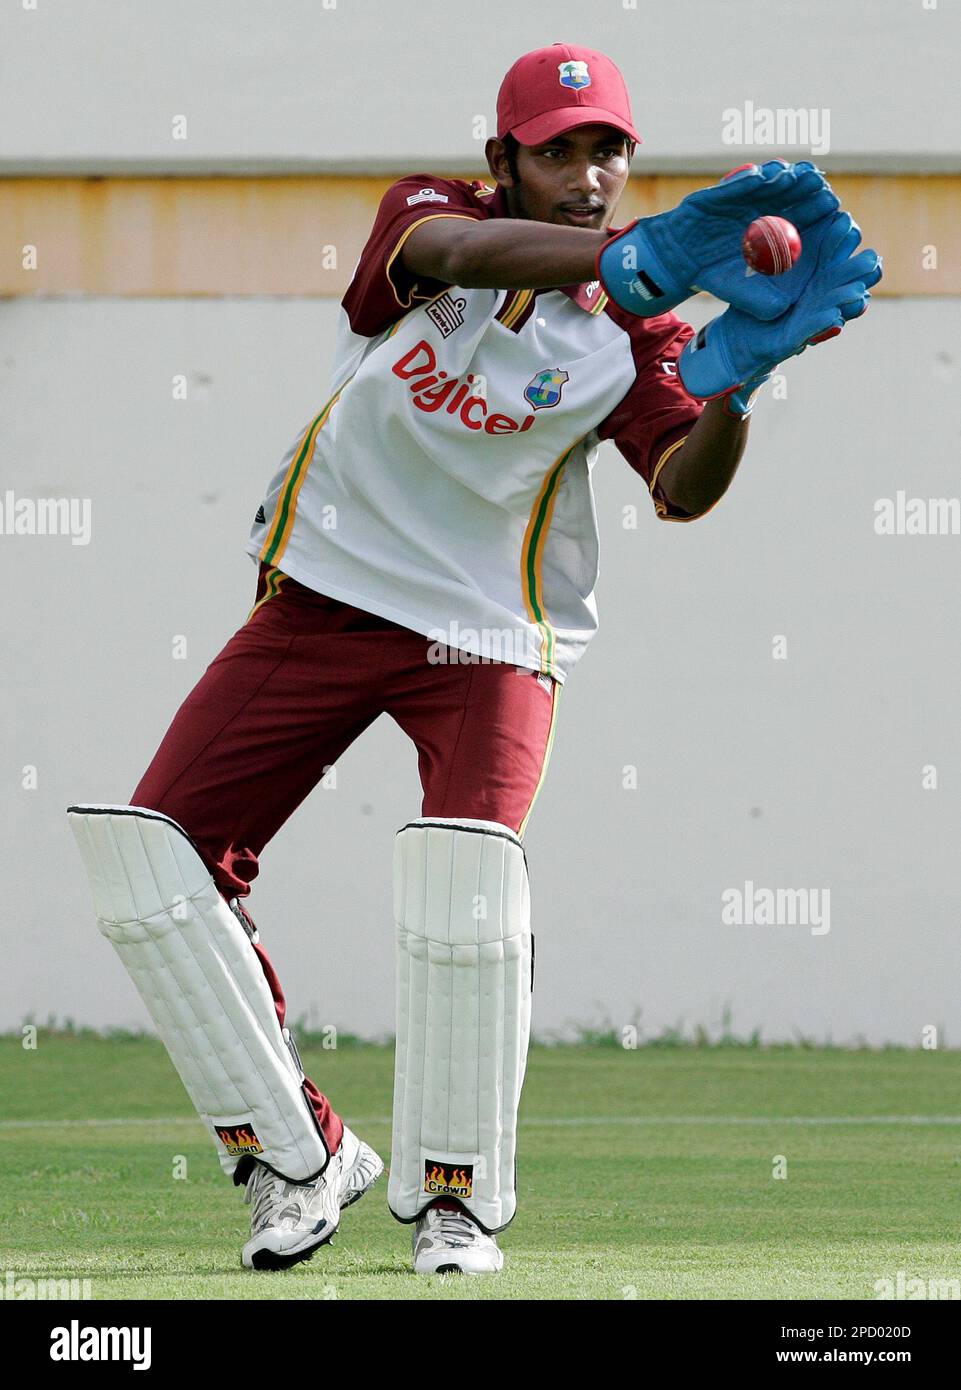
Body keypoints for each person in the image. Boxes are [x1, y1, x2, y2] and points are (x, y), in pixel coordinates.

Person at [67, 42, 880, 1276]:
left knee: (467, 888)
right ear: (503, 158)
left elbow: (679, 488)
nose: (590, 172)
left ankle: (455, 1196)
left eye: (608, 149)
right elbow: (459, 261)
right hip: (326, 595)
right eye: (560, 150)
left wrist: (741, 387)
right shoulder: (429, 216)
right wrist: (626, 256)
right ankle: (297, 1156)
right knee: (156, 862)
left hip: (489, 632)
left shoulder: (637, 324)